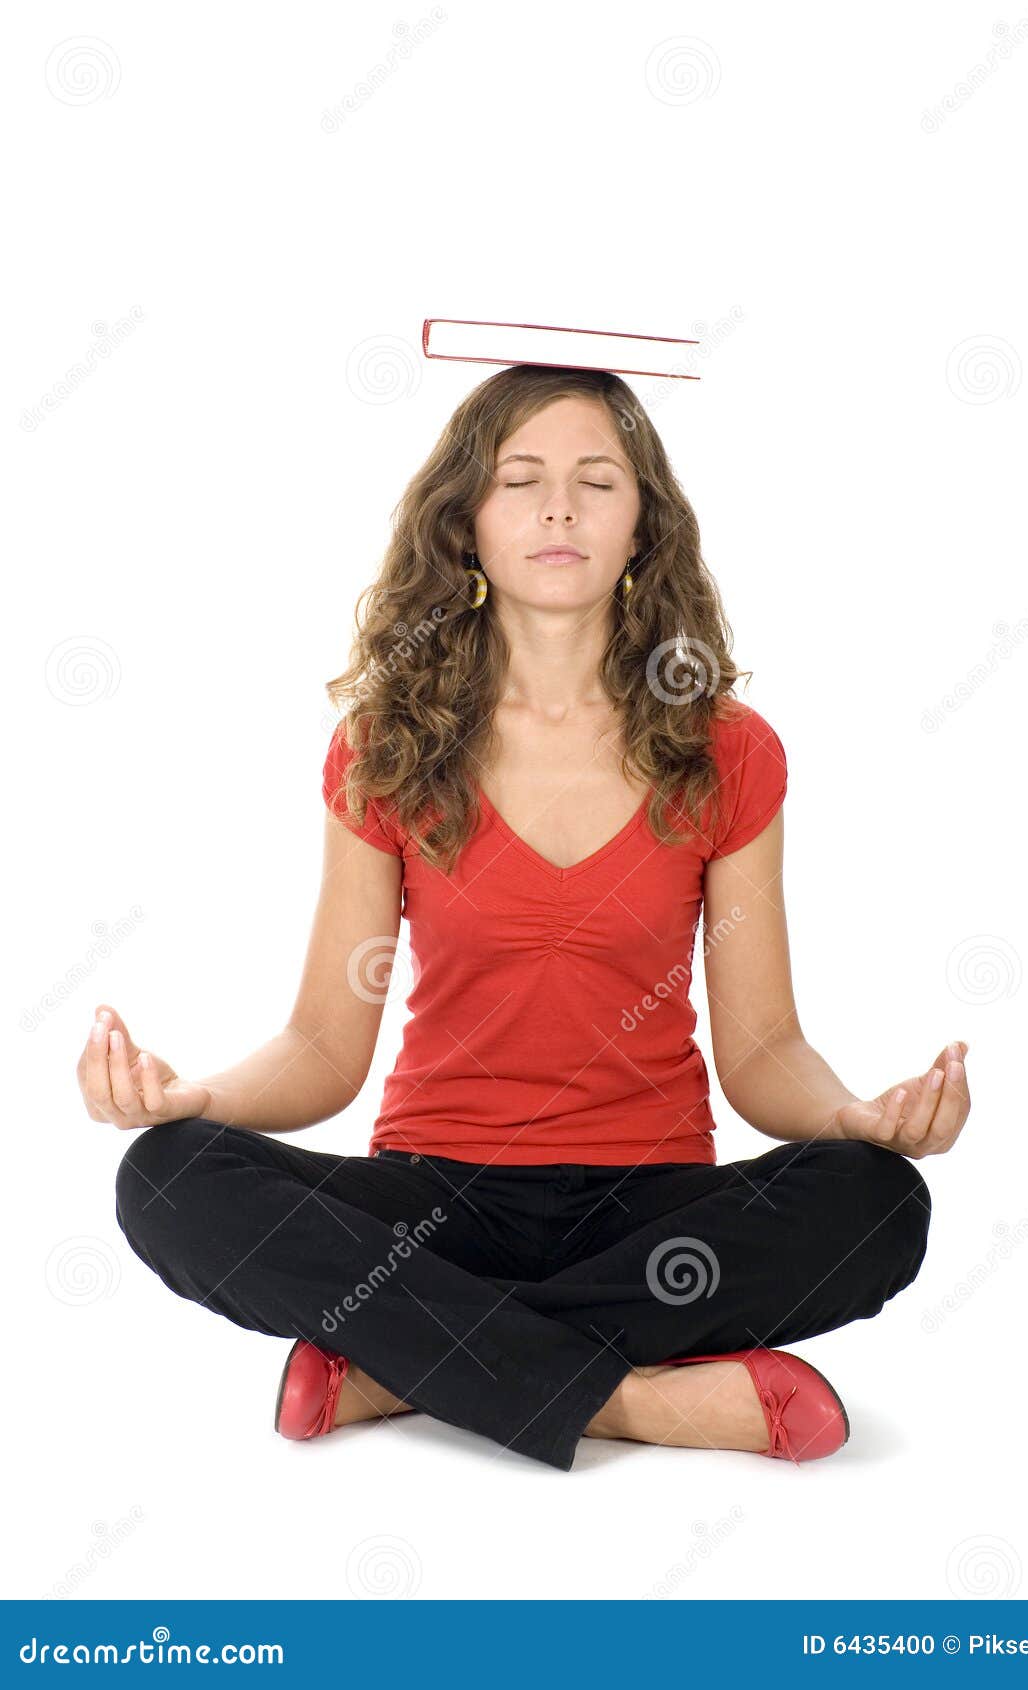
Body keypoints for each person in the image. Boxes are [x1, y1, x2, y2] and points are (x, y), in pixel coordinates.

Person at [79, 364, 970, 1473]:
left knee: (877, 1202)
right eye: (520, 481)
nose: (559, 509)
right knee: (167, 1177)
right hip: (432, 1202)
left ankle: (410, 1363)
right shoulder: (384, 746)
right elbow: (322, 1046)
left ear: (641, 525)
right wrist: (192, 1100)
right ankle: (635, 1402)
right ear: (466, 524)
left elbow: (762, 1050)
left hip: (649, 1215)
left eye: (596, 481)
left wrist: (852, 1117)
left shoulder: (728, 750)